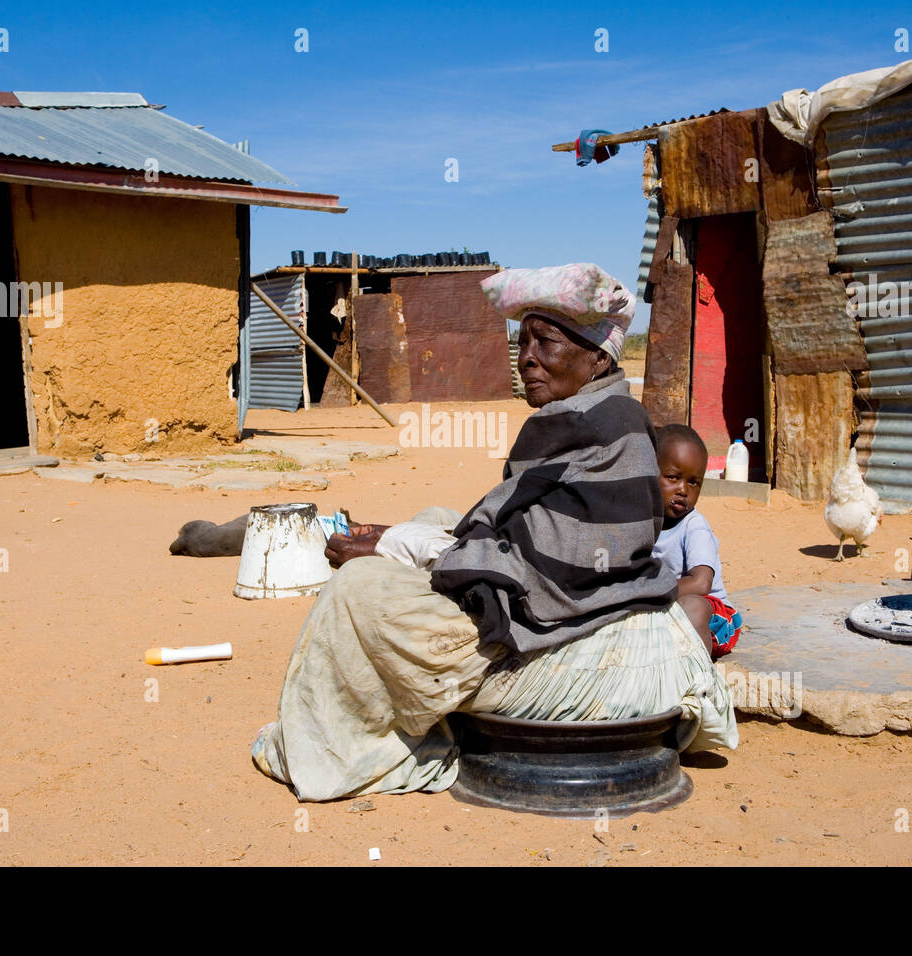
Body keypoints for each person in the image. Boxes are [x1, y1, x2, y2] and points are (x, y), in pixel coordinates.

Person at [251, 263, 737, 801]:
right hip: (567, 597)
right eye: (522, 340)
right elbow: (528, 528)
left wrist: (402, 547)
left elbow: (550, 573)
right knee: (433, 515)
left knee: (356, 591)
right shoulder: (586, 416)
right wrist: (416, 539)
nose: (526, 357)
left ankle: (337, 751)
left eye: (546, 341)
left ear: (597, 355)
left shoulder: (611, 430)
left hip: (558, 618)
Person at [653, 424, 743, 659]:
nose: (683, 490)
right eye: (673, 477)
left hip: (716, 619)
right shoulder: (640, 523)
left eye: (694, 482)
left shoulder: (694, 527)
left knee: (691, 606)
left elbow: (702, 584)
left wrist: (647, 591)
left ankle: (698, 680)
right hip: (666, 608)